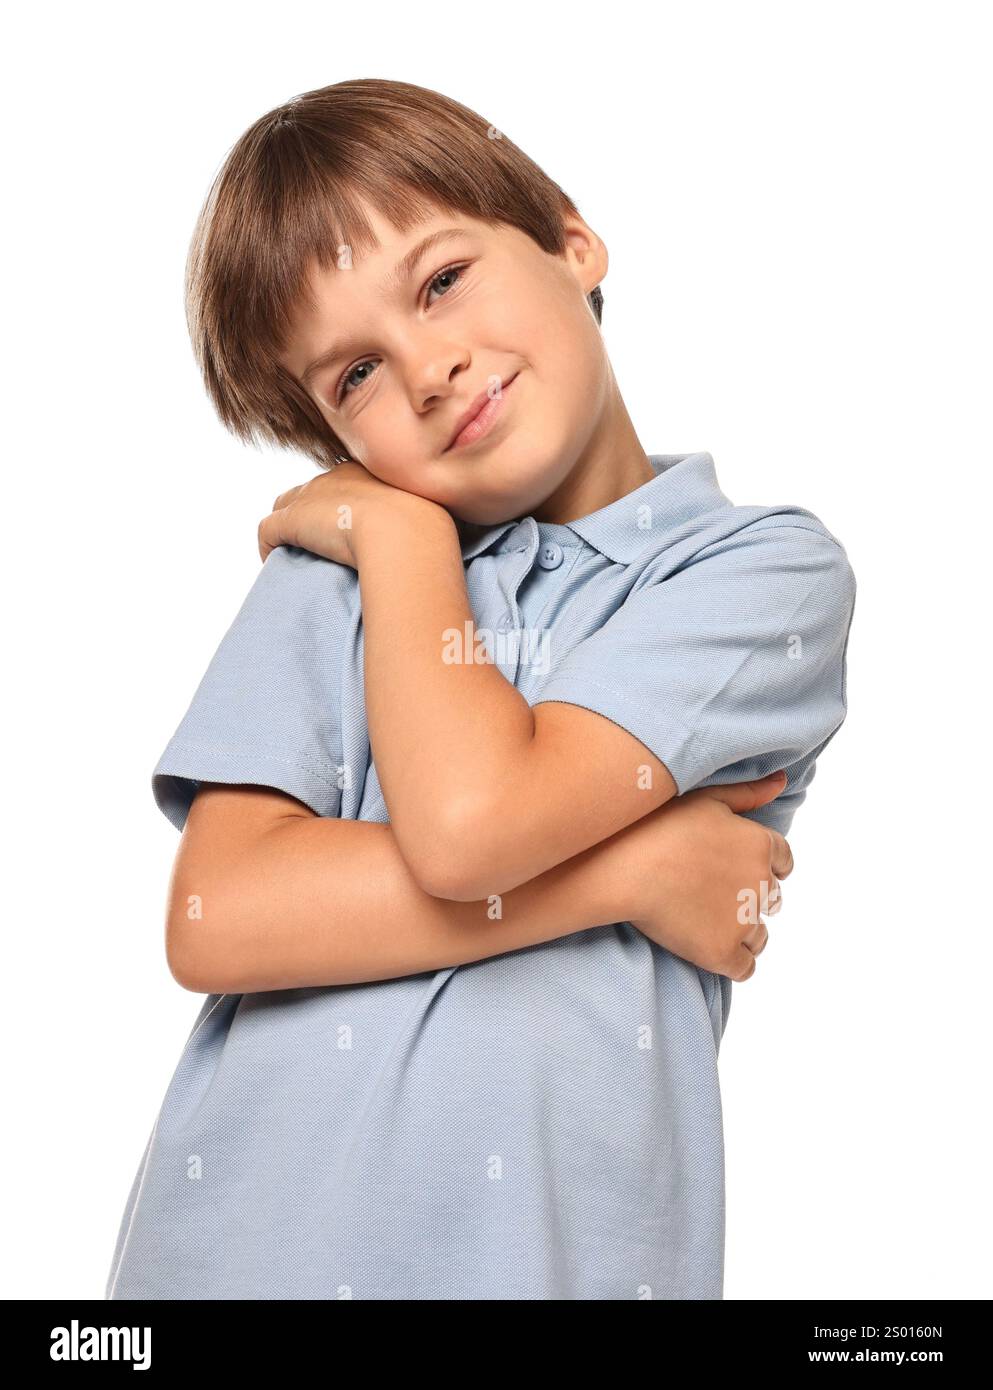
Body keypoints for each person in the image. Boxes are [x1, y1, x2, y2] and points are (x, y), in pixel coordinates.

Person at [105, 78, 856, 1300]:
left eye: (441, 281)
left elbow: (471, 822)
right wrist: (625, 871)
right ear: (332, 438)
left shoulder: (755, 572)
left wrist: (399, 554)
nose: (432, 371)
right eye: (355, 375)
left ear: (571, 235)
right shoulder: (338, 571)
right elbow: (216, 919)